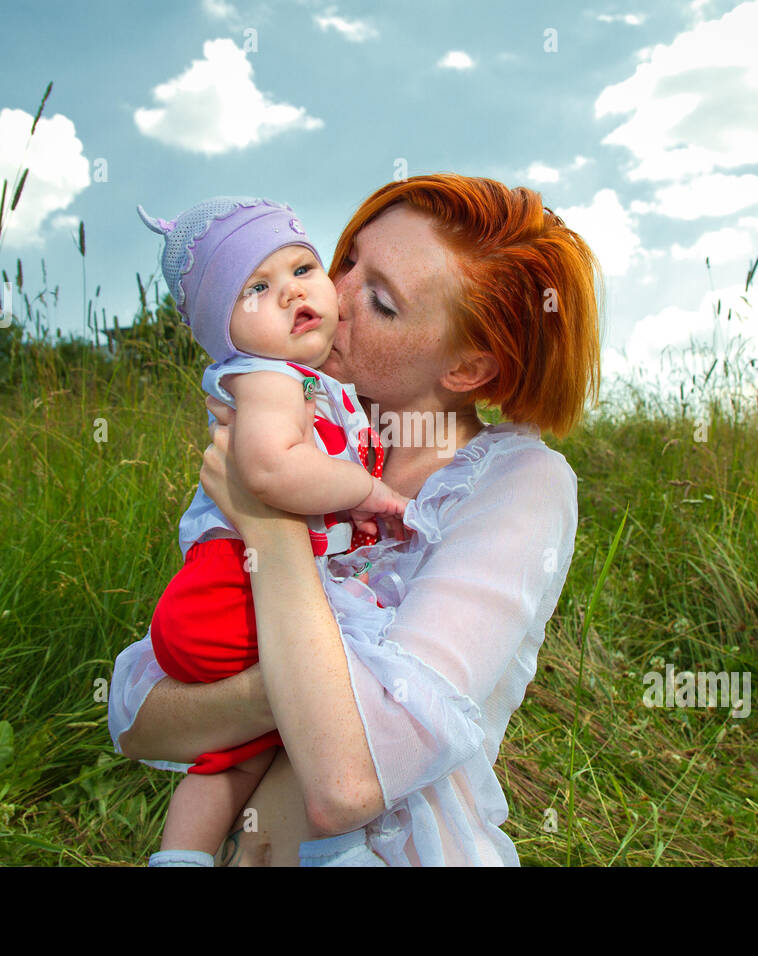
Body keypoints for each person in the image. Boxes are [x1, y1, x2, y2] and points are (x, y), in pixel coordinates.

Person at [110, 173, 602, 866]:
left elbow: (347, 781)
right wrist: (309, 695)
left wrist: (269, 520)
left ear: (467, 366)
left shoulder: (519, 487)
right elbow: (142, 719)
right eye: (342, 261)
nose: (328, 296)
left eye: (380, 300)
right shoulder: (306, 429)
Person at [131, 197, 411, 867]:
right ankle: (337, 846)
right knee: (326, 689)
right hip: (231, 586)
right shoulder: (265, 380)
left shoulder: (300, 381)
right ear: (221, 329)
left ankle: (185, 856)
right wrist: (368, 491)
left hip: (237, 584)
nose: (290, 289)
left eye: (302, 267)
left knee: (238, 752)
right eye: (255, 288)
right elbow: (270, 469)